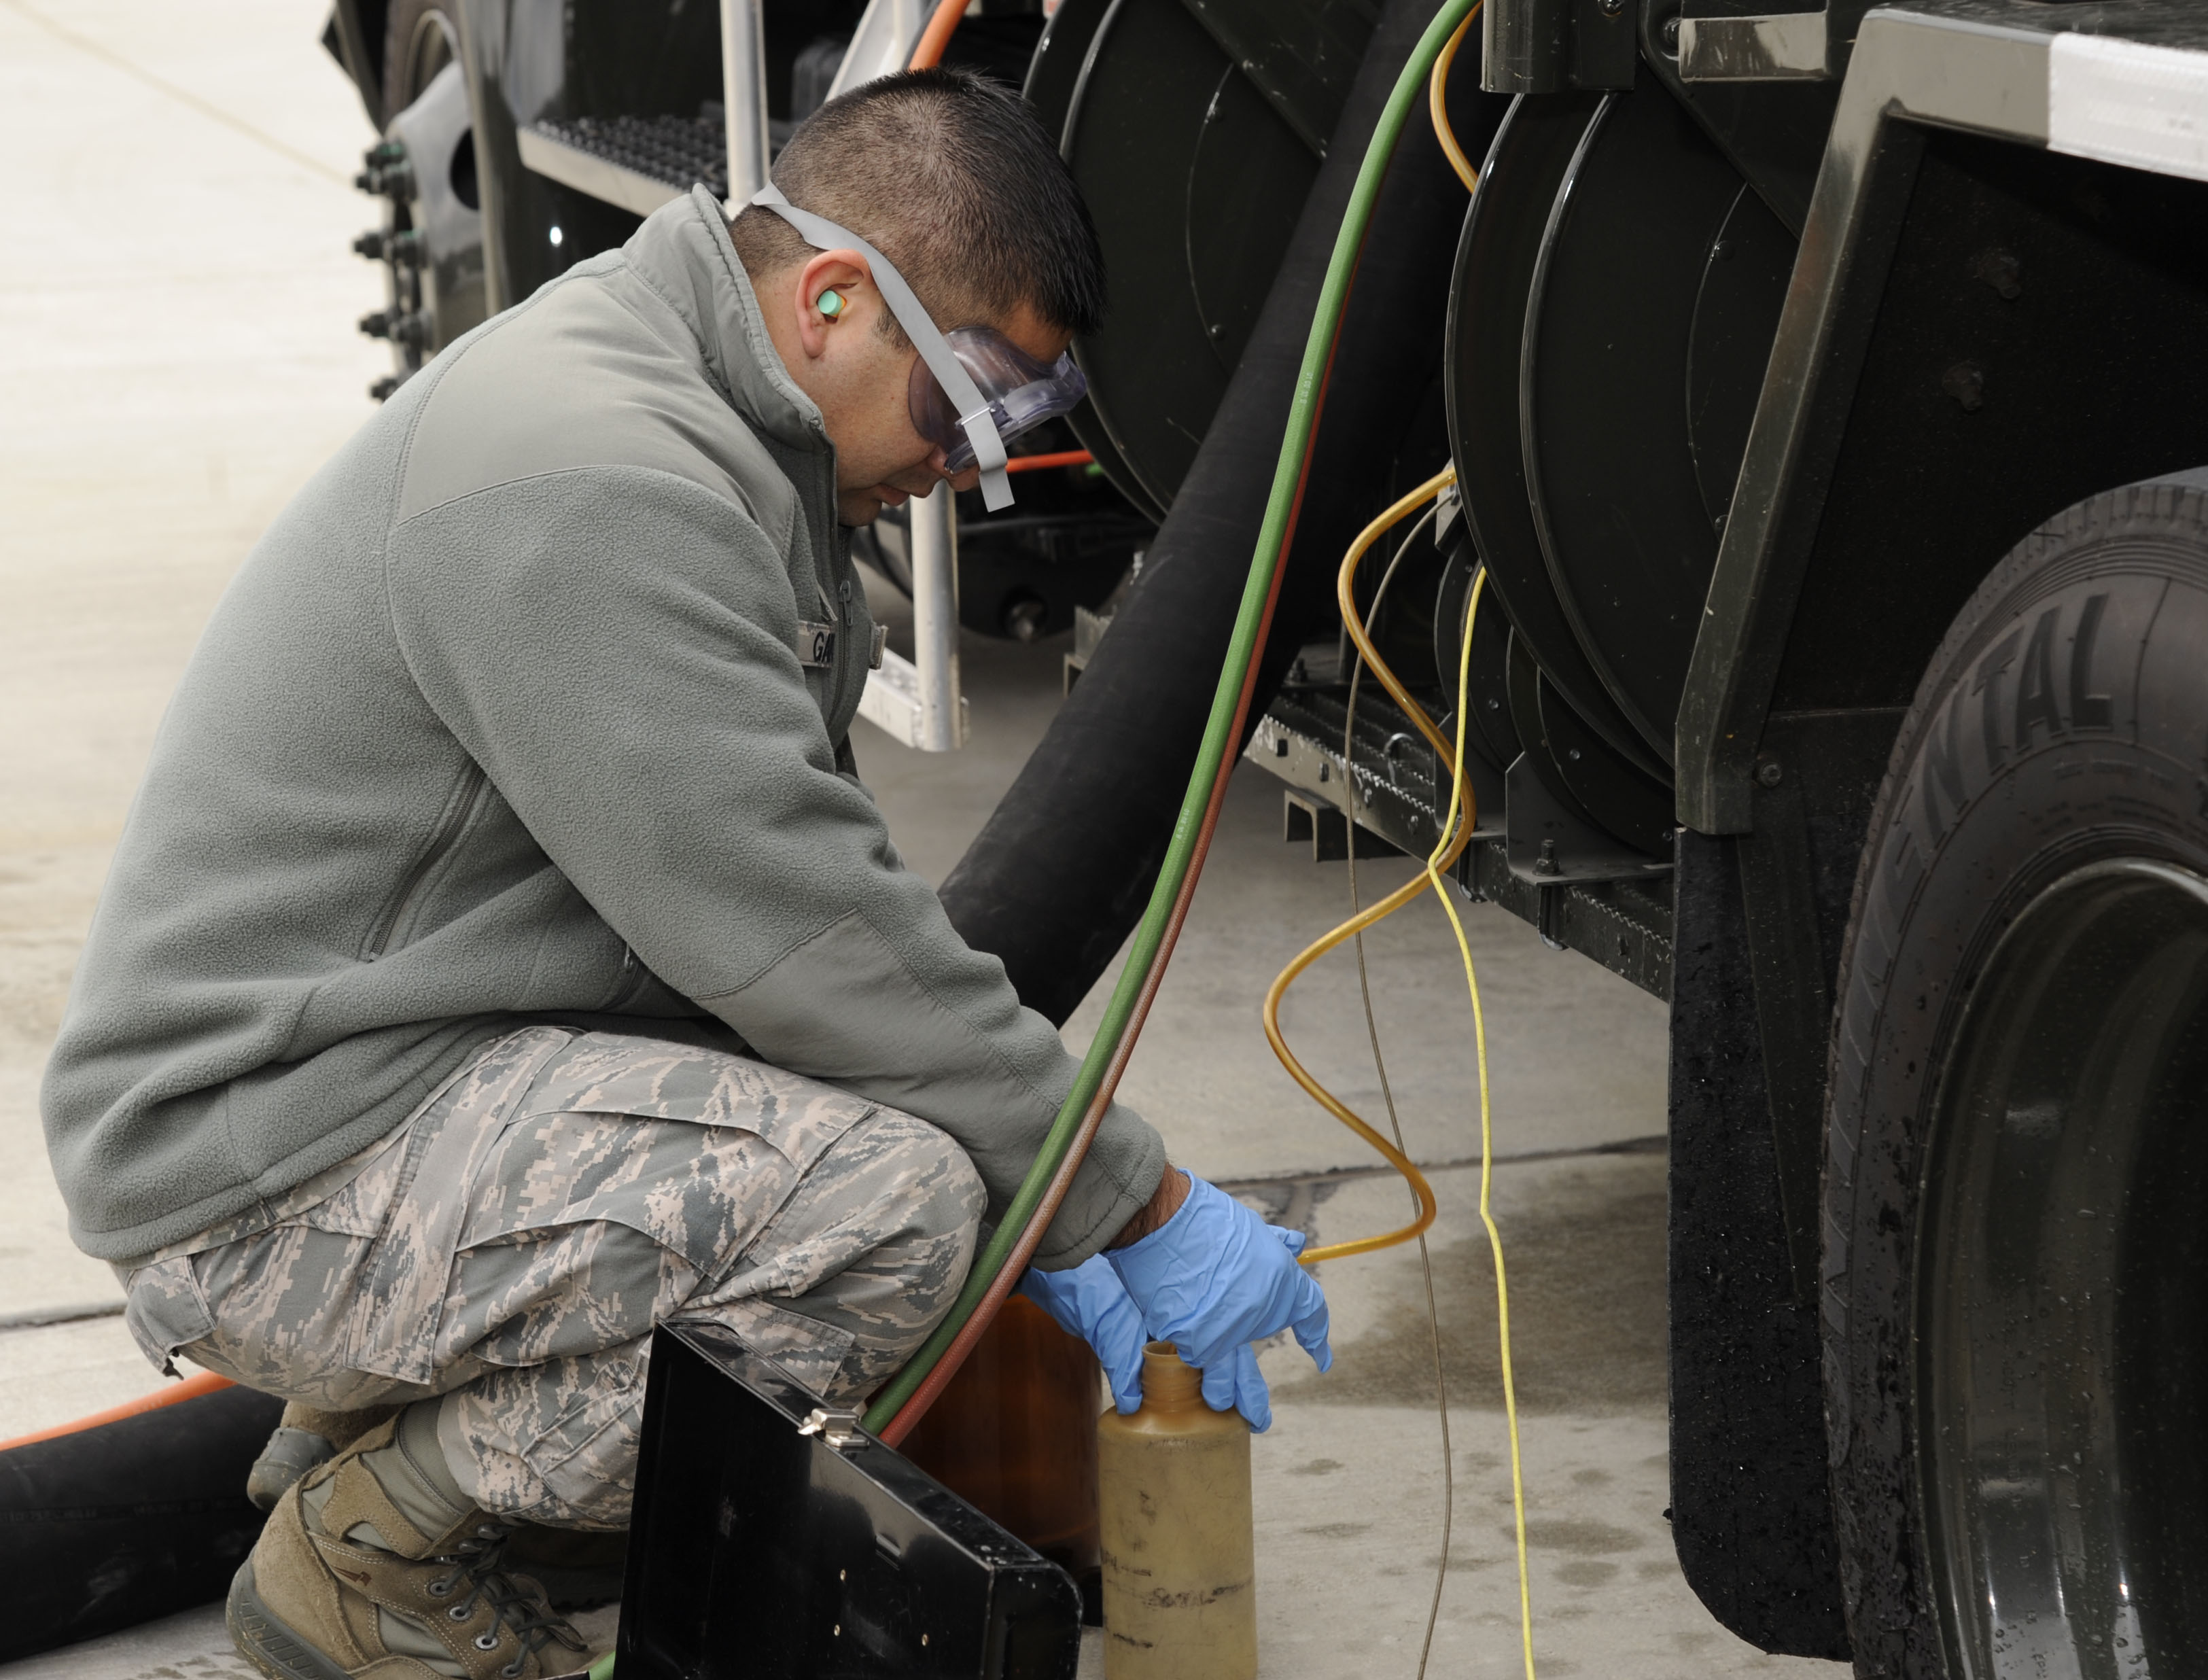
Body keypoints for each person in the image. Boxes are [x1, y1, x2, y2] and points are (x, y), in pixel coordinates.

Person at [40, 68, 1328, 1680]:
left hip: (376, 1075)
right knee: (888, 1212)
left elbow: (793, 958)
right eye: (963, 407)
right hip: (264, 1156)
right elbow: (804, 940)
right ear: (835, 302)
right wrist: (1127, 1199)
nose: (968, 471)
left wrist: (1054, 1189)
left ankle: (422, 1457)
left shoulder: (713, 425)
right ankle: (369, 1548)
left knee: (887, 1146)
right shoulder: (605, 479)